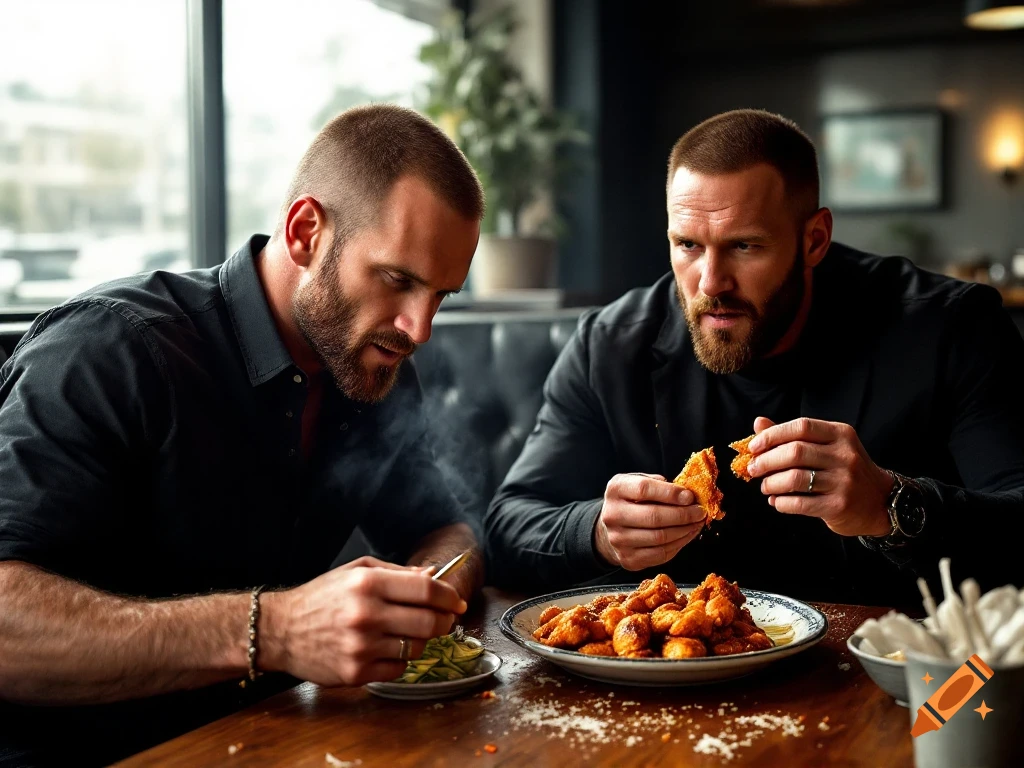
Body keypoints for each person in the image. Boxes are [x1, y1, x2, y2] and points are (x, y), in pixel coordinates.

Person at [0, 104, 485, 766]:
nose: (418, 329)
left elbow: (447, 529)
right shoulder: (110, 351)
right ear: (306, 232)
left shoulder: (372, 367)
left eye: (440, 296)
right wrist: (276, 630)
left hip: (277, 740)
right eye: (398, 280)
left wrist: (426, 591)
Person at [486, 109, 1024, 607]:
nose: (711, 283)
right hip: (680, 667)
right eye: (688, 245)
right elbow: (508, 529)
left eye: (744, 246)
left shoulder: (951, 328)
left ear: (814, 240)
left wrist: (891, 504)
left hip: (899, 664)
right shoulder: (609, 346)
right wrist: (599, 534)